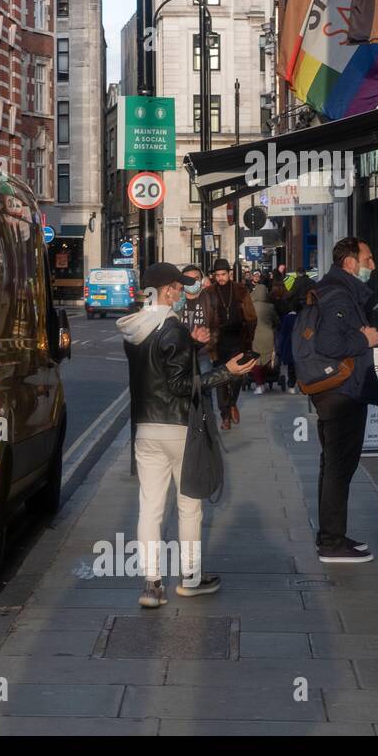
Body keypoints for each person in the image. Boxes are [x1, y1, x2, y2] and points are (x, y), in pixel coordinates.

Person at [118, 263, 255, 608]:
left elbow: (158, 369)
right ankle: (191, 577)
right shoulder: (173, 328)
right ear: (165, 291)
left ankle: (151, 585)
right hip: (179, 427)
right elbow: (179, 385)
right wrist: (226, 371)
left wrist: (190, 348)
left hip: (146, 429)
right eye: (178, 289)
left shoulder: (135, 330)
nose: (181, 294)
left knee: (150, 507)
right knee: (189, 504)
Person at [303, 237, 378, 564]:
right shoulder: (339, 294)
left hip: (335, 392)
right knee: (338, 467)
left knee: (334, 465)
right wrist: (364, 340)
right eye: (368, 257)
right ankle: (333, 543)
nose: (373, 265)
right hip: (342, 393)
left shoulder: (336, 290)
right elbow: (330, 343)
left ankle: (332, 535)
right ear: (350, 262)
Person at [205, 258, 257, 430]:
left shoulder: (241, 290)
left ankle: (232, 403)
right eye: (217, 275)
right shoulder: (210, 292)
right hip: (218, 341)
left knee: (237, 376)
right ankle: (225, 416)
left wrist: (249, 339)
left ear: (229, 274)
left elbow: (251, 316)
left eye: (223, 274)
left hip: (237, 339)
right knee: (220, 378)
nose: (220, 278)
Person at [249, 282, 278, 395]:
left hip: (255, 336)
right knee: (266, 358)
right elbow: (276, 321)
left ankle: (259, 384)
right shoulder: (270, 307)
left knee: (256, 360)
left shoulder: (251, 306)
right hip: (268, 336)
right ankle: (265, 380)